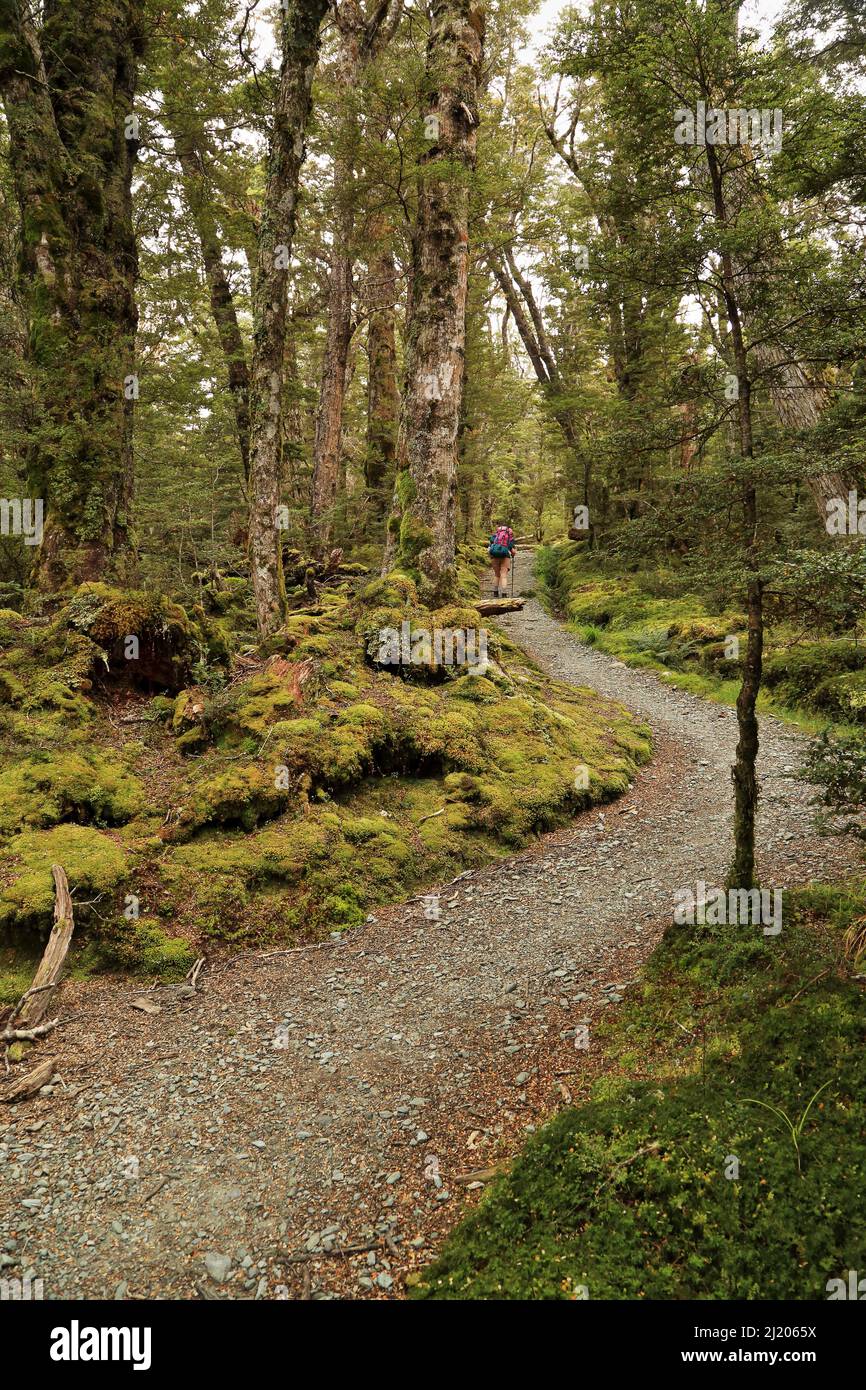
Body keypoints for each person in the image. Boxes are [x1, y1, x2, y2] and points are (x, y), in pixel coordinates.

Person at [488, 523, 516, 597]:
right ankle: (504, 593)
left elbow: (490, 546)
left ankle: (495, 592)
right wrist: (513, 554)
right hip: (505, 556)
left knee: (497, 575)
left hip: (494, 556)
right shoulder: (509, 538)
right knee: (503, 575)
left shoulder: (495, 536)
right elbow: (512, 551)